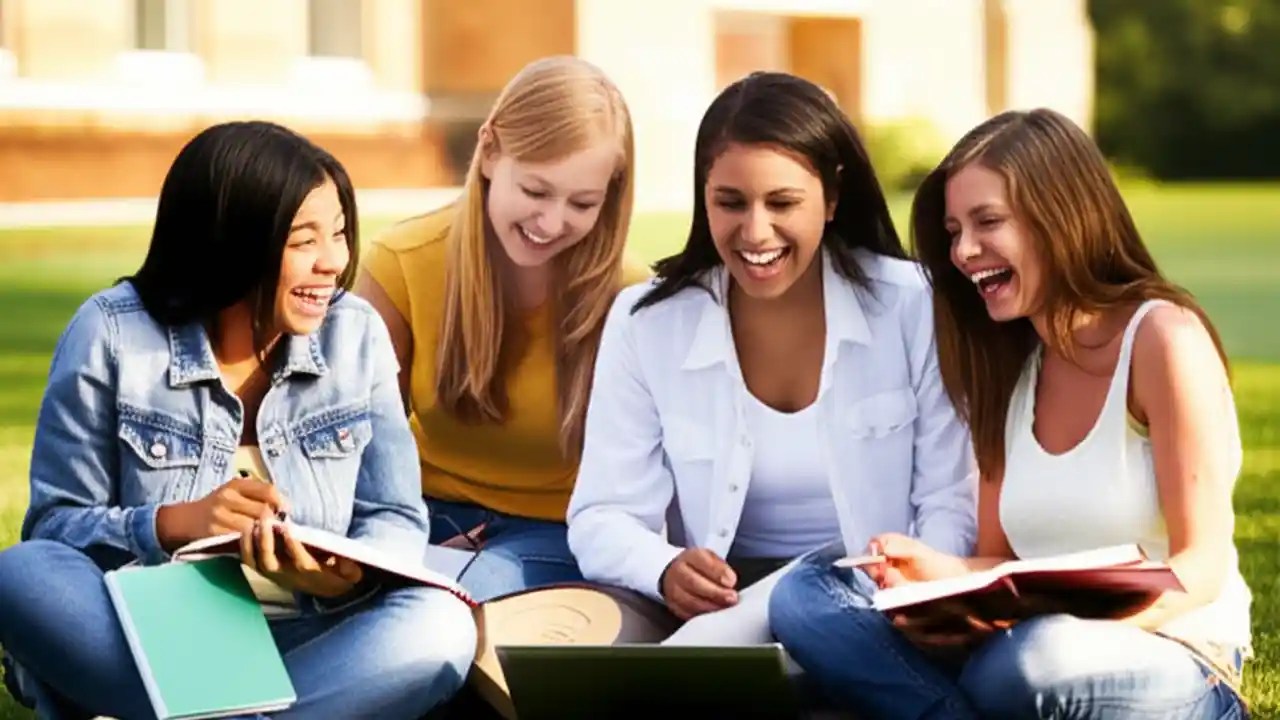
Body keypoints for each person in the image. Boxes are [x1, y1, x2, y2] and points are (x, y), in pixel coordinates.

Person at [768, 108, 1254, 719]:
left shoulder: (1162, 339)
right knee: (805, 595)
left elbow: (1200, 567)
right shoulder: (1010, 367)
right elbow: (1001, 561)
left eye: (987, 222)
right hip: (1023, 645)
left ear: (1062, 216)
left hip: (1172, 655)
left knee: (1028, 662)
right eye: (953, 232)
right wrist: (939, 572)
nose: (965, 251)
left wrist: (1041, 622)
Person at [0, 121, 477, 720]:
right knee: (21, 575)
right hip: (158, 637)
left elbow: (396, 516)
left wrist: (347, 578)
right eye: (305, 241)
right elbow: (54, 528)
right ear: (231, 240)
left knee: (441, 628)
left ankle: (195, 712)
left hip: (314, 637)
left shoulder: (356, 336)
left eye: (339, 234)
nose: (335, 261)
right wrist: (176, 524)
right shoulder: (111, 334)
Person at [565, 71, 976, 629]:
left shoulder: (913, 306)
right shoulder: (647, 324)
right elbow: (602, 515)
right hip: (722, 609)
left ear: (831, 197)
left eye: (782, 202)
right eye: (730, 203)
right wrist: (663, 568)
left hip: (874, 604)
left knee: (804, 611)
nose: (756, 232)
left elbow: (952, 498)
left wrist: (920, 591)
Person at [355, 56, 648, 603]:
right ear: (489, 152)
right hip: (420, 517)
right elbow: (352, 444)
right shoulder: (402, 263)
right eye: (535, 191)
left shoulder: (630, 298)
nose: (552, 222)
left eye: (582, 202)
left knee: (448, 609)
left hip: (560, 535)